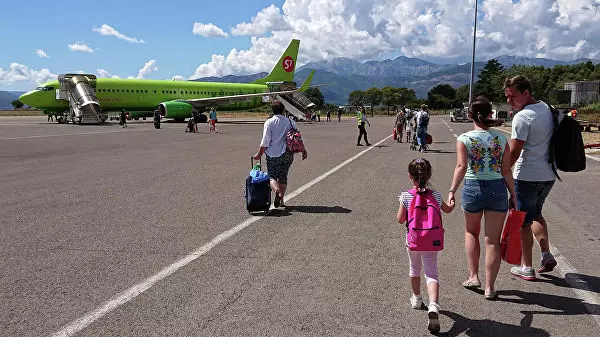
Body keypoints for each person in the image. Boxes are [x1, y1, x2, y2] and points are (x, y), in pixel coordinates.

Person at [447, 96, 517, 300]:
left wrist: (452, 190)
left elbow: (461, 167)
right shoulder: (501, 139)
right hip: (497, 189)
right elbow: (505, 170)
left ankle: (473, 276)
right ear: (490, 114)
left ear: (470, 115)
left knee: (471, 232)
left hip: (472, 187)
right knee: (492, 240)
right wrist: (513, 193)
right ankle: (490, 287)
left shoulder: (465, 138)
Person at [504, 75, 557, 281]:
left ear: (526, 93)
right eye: (507, 97)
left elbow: (515, 153)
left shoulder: (522, 117)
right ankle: (546, 254)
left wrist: (503, 174)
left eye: (513, 96)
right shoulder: (546, 108)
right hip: (548, 175)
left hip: (527, 176)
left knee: (523, 223)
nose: (509, 101)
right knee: (536, 214)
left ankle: (526, 267)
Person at [397, 158, 455, 334]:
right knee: (432, 273)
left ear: (410, 176)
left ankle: (416, 298)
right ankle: (434, 305)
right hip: (432, 240)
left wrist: (402, 202)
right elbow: (447, 209)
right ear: (429, 175)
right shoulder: (435, 195)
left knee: (414, 269)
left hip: (413, 240)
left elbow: (400, 219)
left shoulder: (406, 196)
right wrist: (452, 200)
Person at [253, 101, 308, 208]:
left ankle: (277, 192)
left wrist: (259, 154)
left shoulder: (269, 122)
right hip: (287, 153)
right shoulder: (291, 122)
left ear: (272, 111)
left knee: (271, 175)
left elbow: (265, 141)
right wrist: (303, 150)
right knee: (283, 176)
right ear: (284, 110)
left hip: (272, 154)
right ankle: (281, 199)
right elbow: (297, 138)